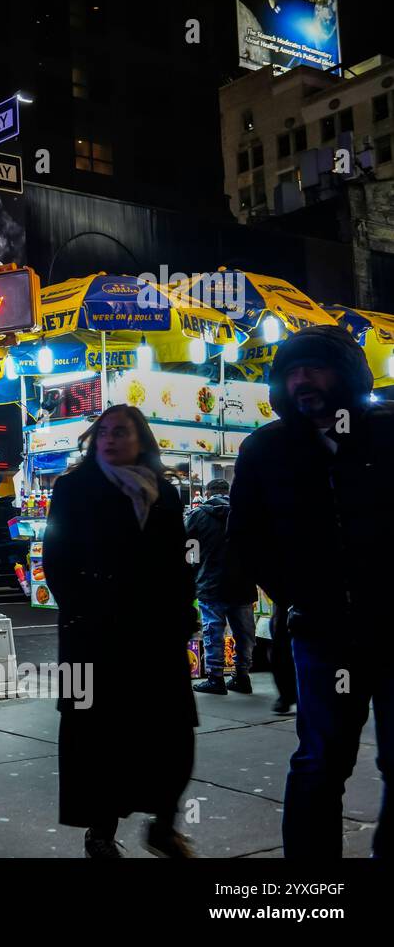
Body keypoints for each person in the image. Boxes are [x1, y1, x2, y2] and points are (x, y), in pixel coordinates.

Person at [226, 325, 394, 859]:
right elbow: (246, 539)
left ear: (344, 373)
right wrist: (300, 593)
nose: (303, 381)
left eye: (315, 368)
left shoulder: (388, 433)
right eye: (293, 371)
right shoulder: (266, 449)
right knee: (321, 761)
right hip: (324, 636)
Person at [43, 404, 199, 858]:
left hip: (156, 633)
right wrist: (84, 610)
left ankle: (163, 823)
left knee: (171, 731)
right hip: (91, 635)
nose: (109, 440)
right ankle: (100, 831)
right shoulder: (73, 488)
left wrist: (183, 611)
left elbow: (178, 558)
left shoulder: (165, 493)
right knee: (95, 735)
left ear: (140, 439)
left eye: (120, 432)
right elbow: (57, 559)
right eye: (103, 432)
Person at [186, 478, 259, 695]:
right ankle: (242, 676)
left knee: (213, 631)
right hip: (242, 584)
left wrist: (194, 571)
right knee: (244, 633)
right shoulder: (244, 515)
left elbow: (189, 549)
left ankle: (215, 678)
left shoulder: (197, 516)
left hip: (210, 582)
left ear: (207, 494)